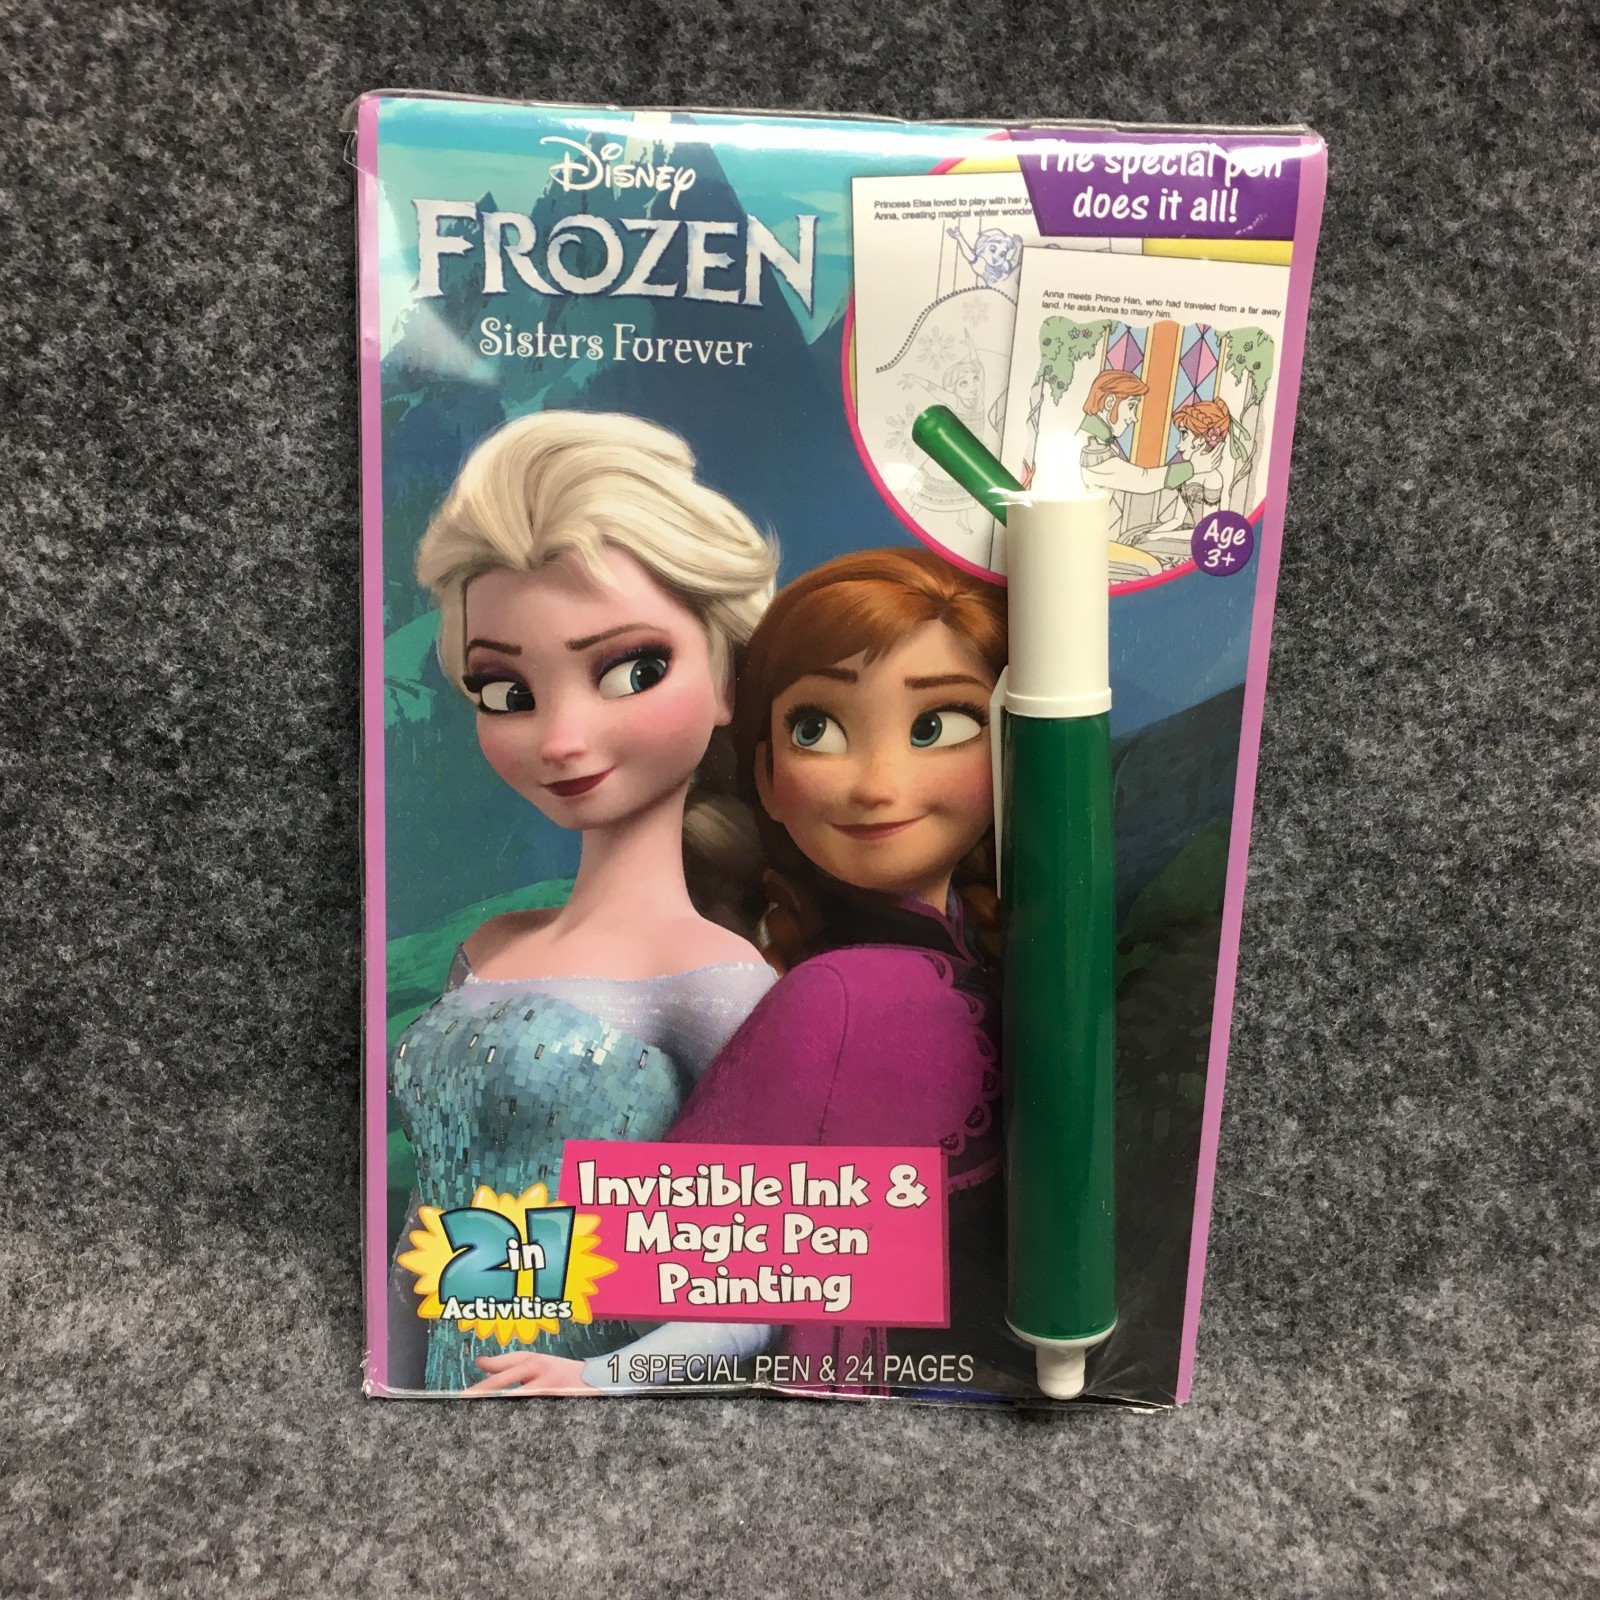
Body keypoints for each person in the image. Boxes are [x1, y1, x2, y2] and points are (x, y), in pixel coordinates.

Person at [471, 547, 1012, 1395]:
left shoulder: (852, 992)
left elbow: (696, 1270)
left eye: (938, 726)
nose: (877, 786)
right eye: (816, 730)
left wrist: (601, 1373)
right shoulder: (840, 992)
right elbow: (713, 1268)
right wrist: (601, 1374)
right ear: (769, 774)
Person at [388, 410, 780, 1392]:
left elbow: (764, 1273)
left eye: (633, 670)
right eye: (505, 691)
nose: (561, 738)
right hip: (445, 1393)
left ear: (726, 677)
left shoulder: (714, 980)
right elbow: (438, 1227)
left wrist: (602, 1382)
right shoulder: (488, 947)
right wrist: (395, 1366)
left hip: (589, 1421)